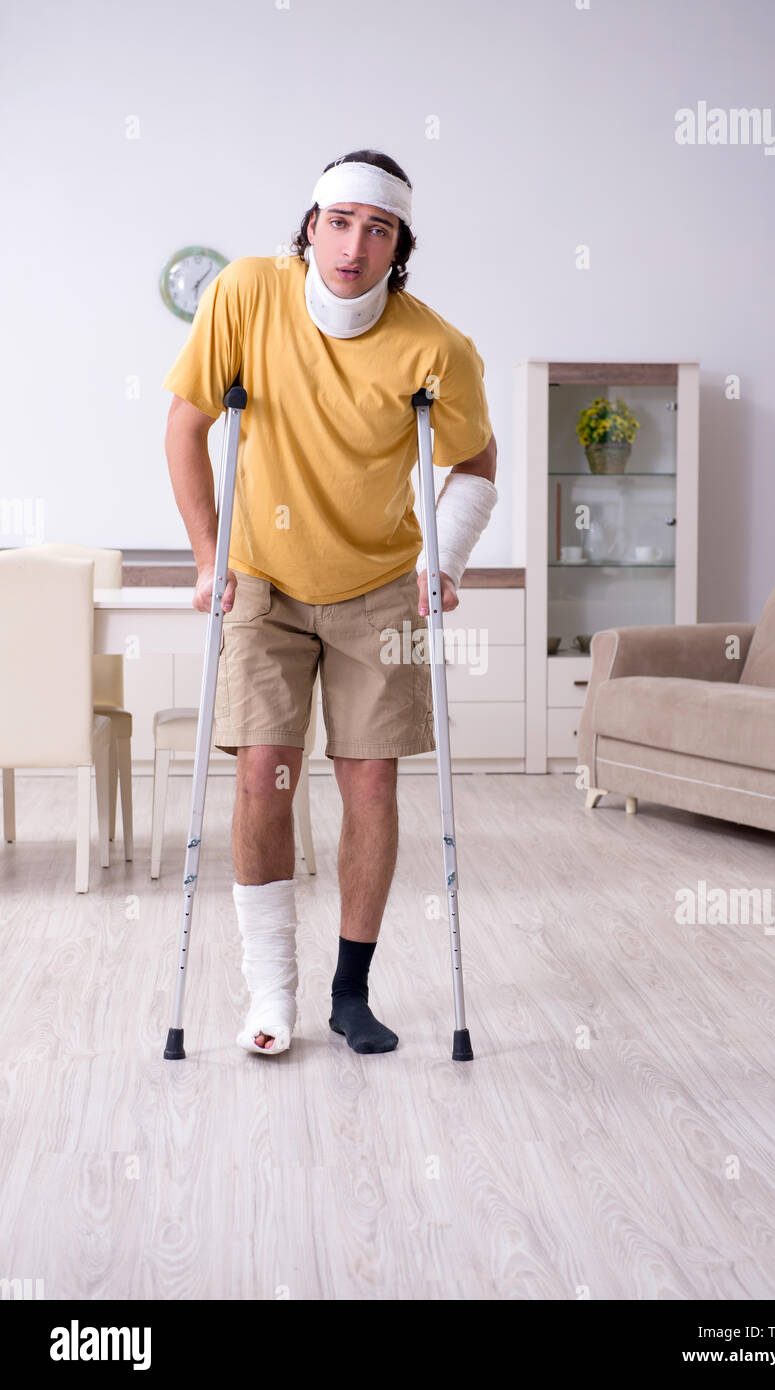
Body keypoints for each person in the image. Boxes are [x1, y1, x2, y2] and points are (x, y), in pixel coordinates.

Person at [162, 149, 498, 1058]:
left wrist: (447, 562)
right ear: (311, 226)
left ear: (399, 247)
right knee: (262, 770)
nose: (355, 244)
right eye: (340, 221)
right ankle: (270, 992)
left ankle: (352, 993)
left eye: (377, 229)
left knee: (371, 781)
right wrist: (206, 555)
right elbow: (187, 426)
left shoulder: (436, 349)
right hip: (262, 581)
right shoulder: (243, 293)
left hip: (378, 591)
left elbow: (473, 467)